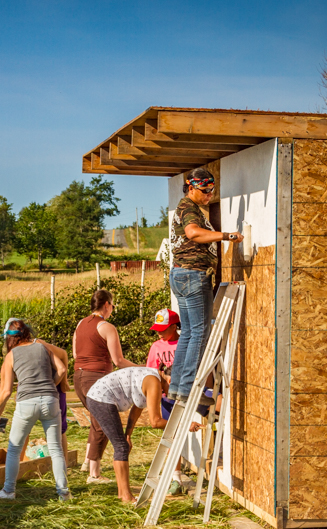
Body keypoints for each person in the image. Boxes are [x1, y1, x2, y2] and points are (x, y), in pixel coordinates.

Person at [168, 167, 243, 403]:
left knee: (189, 333)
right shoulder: (189, 208)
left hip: (181, 275)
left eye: (212, 190)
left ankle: (178, 386)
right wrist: (227, 236)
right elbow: (192, 233)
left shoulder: (186, 207)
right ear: (191, 188)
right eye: (205, 190)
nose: (209, 194)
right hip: (192, 275)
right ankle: (189, 389)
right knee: (199, 333)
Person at [0, 319, 71, 501]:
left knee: (14, 449)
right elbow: (61, 369)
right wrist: (50, 386)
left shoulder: (11, 356)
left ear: (9, 339)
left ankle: (8, 491)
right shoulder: (42, 347)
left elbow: (6, 391)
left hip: (26, 404)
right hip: (51, 401)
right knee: (56, 449)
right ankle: (64, 492)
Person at [72, 288, 138, 483]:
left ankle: (88, 461)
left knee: (96, 420)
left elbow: (76, 355)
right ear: (107, 304)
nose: (112, 310)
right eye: (113, 306)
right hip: (97, 378)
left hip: (78, 377)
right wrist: (143, 368)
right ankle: (94, 473)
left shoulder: (80, 324)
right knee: (103, 423)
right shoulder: (106, 327)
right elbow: (119, 361)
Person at [84, 366, 171, 503]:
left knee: (122, 445)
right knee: (121, 447)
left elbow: (138, 407)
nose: (169, 396)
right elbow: (155, 422)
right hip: (101, 398)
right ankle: (126, 496)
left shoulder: (151, 378)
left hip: (98, 395)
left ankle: (122, 494)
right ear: (170, 380)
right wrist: (183, 425)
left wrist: (128, 435)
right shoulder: (154, 382)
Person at [146, 308, 180, 420]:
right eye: (157, 330)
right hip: (167, 397)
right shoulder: (156, 347)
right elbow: (150, 373)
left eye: (163, 330)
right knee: (170, 429)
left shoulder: (183, 344)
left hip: (185, 392)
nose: (159, 333)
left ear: (174, 327)